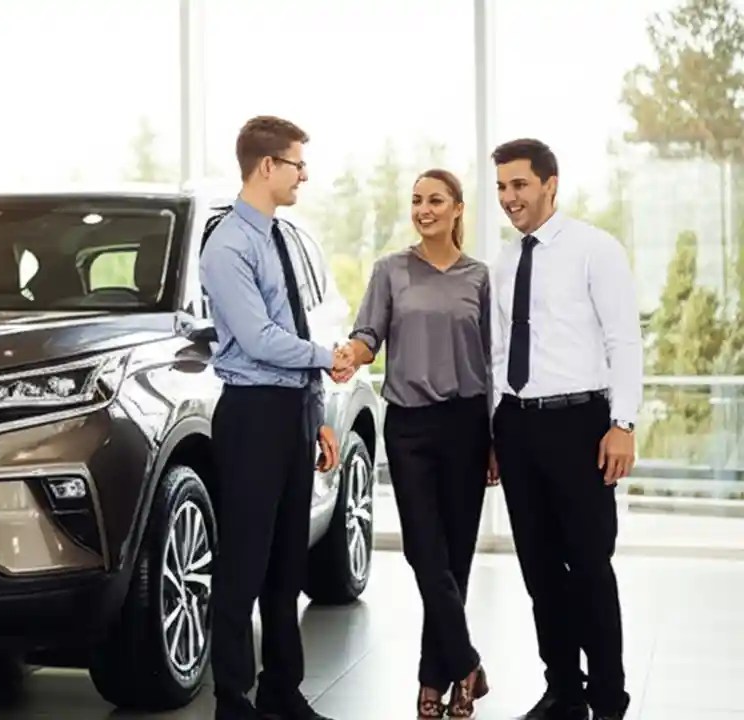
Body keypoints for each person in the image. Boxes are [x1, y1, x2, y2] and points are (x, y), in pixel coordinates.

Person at [199, 115, 350, 720]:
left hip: (290, 411)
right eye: (296, 164)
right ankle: (234, 700)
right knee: (243, 565)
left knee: (288, 561)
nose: (304, 175)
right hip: (252, 415)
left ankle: (282, 692)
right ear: (267, 167)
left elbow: (294, 327)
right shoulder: (228, 244)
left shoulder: (280, 237)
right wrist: (327, 358)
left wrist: (316, 413)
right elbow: (260, 339)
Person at [334, 169, 496, 719]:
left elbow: (494, 364)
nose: (423, 210)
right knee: (424, 553)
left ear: (456, 209)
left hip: (469, 426)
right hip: (409, 427)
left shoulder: (480, 277)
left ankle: (437, 682)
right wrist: (351, 354)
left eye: (435, 201)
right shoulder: (390, 271)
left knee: (456, 560)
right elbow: (368, 335)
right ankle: (469, 663)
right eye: (416, 201)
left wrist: (496, 437)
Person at [488, 138, 640, 720]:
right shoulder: (505, 262)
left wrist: (622, 422)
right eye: (501, 187)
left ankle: (607, 696)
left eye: (519, 185)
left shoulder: (594, 250)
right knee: (540, 569)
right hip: (517, 426)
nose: (509, 198)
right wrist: (492, 435)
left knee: (590, 566)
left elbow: (623, 339)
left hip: (581, 424)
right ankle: (563, 690)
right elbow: (498, 353)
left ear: (551, 184)